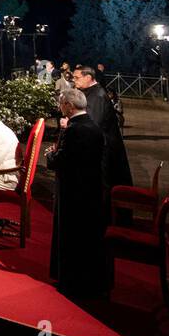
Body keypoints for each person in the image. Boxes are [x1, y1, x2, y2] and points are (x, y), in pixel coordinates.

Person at [46, 87, 110, 298]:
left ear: (69, 106)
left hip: (73, 191)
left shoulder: (74, 130)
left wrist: (51, 155)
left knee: (72, 237)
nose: (59, 107)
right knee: (86, 237)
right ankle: (88, 280)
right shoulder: (93, 126)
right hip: (91, 188)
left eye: (61, 104)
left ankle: (72, 282)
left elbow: (62, 160)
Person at [72, 64, 133, 223]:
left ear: (88, 77)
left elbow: (93, 123)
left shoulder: (97, 95)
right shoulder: (93, 92)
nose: (74, 81)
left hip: (105, 148)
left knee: (103, 183)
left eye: (77, 77)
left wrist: (71, 123)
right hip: (102, 145)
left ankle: (102, 218)